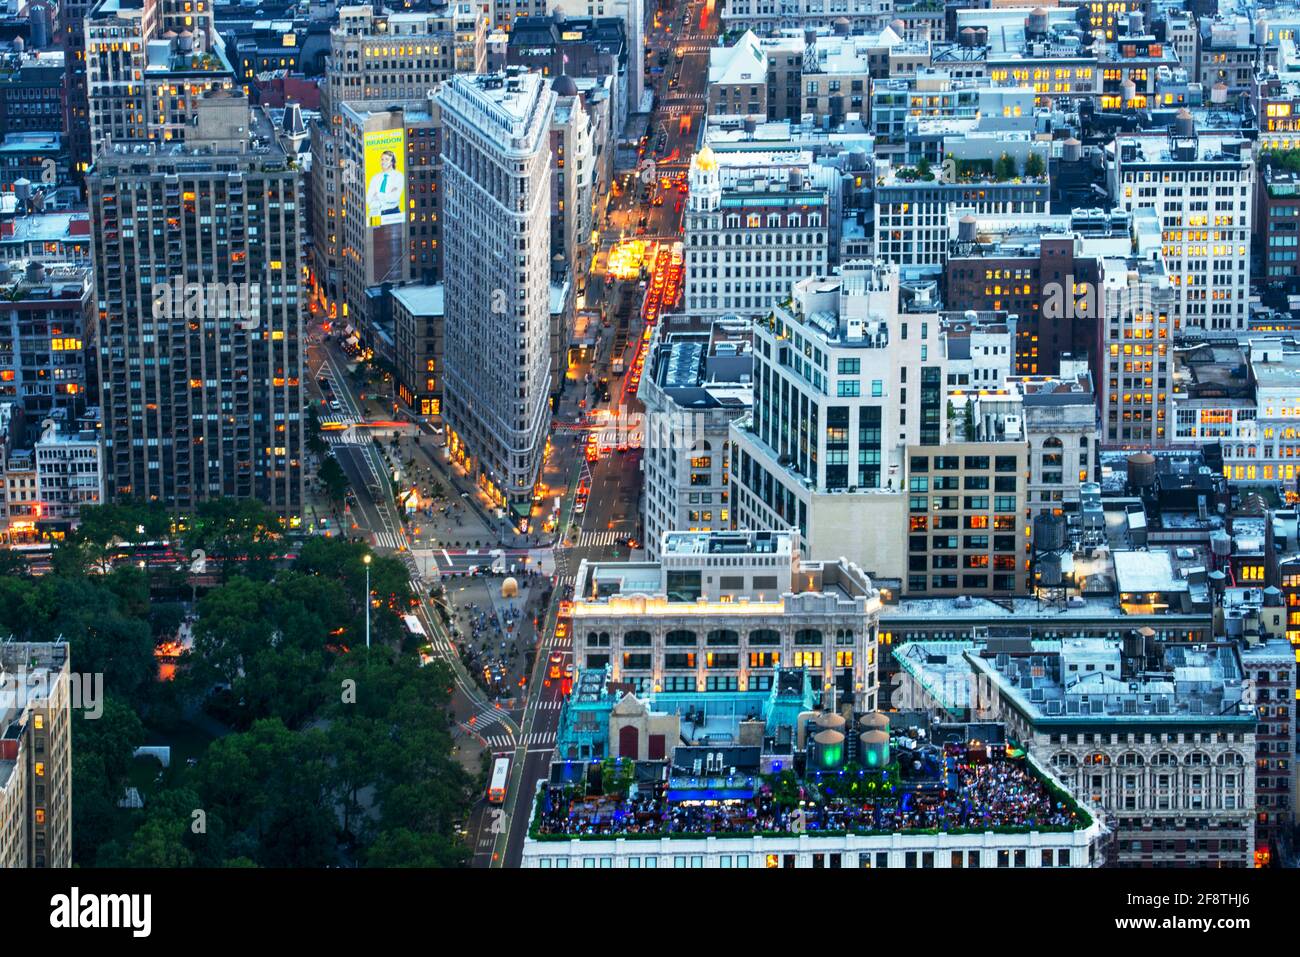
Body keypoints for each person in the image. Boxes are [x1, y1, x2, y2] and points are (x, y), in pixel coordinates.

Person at [367, 149, 404, 222]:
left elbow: (394, 198)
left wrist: (377, 195)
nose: (383, 162)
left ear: (392, 162)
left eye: (387, 159)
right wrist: (387, 195)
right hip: (376, 213)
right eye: (382, 159)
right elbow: (368, 198)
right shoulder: (375, 177)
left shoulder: (398, 176)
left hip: (393, 213)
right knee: (375, 233)